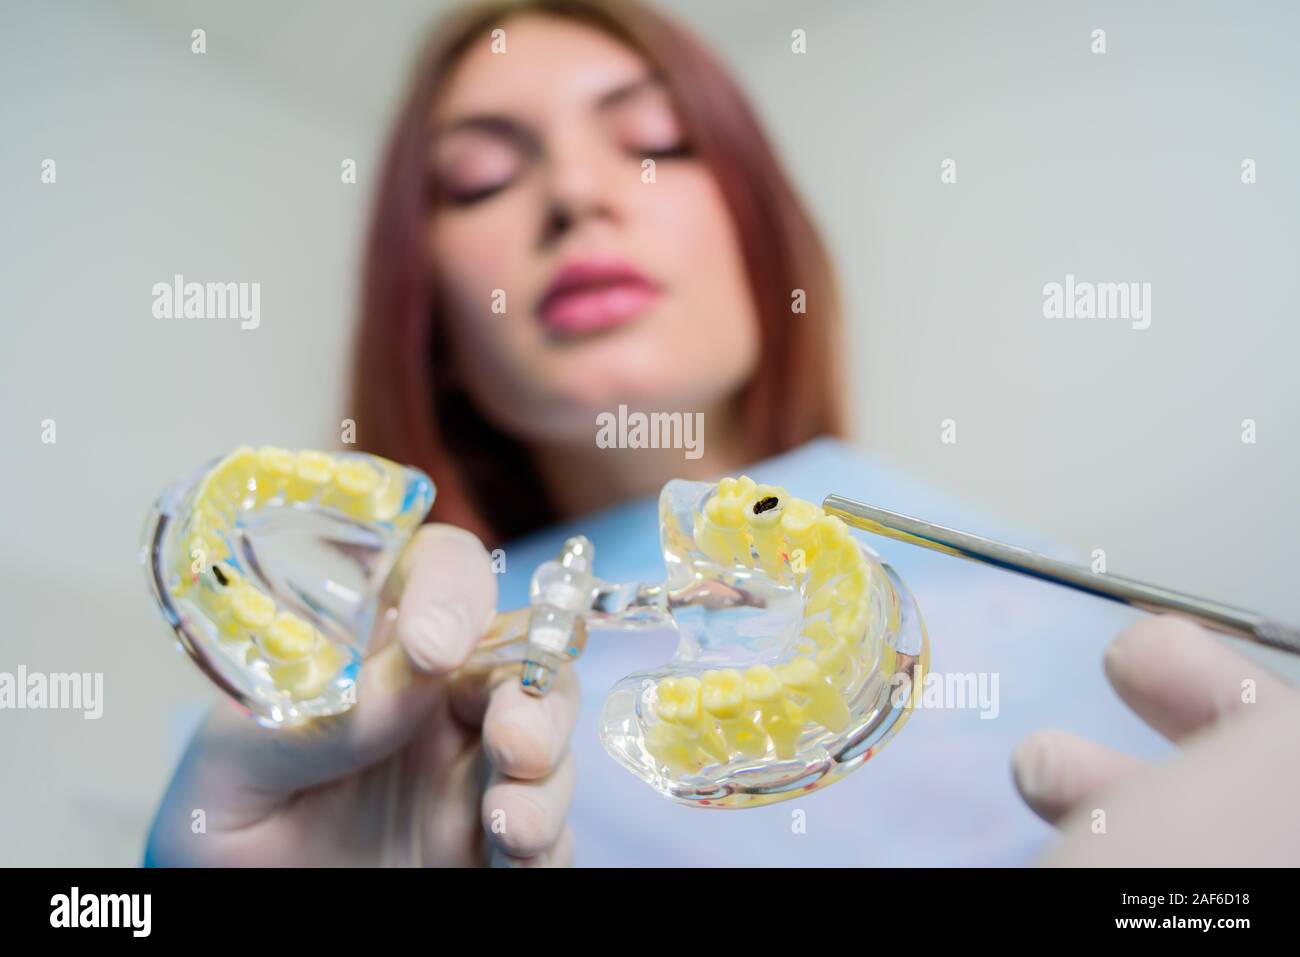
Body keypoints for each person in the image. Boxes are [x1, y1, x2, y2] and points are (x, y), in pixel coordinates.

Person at [146, 0, 1297, 867]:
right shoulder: (344, 724)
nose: (577, 195)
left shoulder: (1065, 625)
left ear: (759, 241)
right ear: (432, 316)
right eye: (483, 176)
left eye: (653, 139)